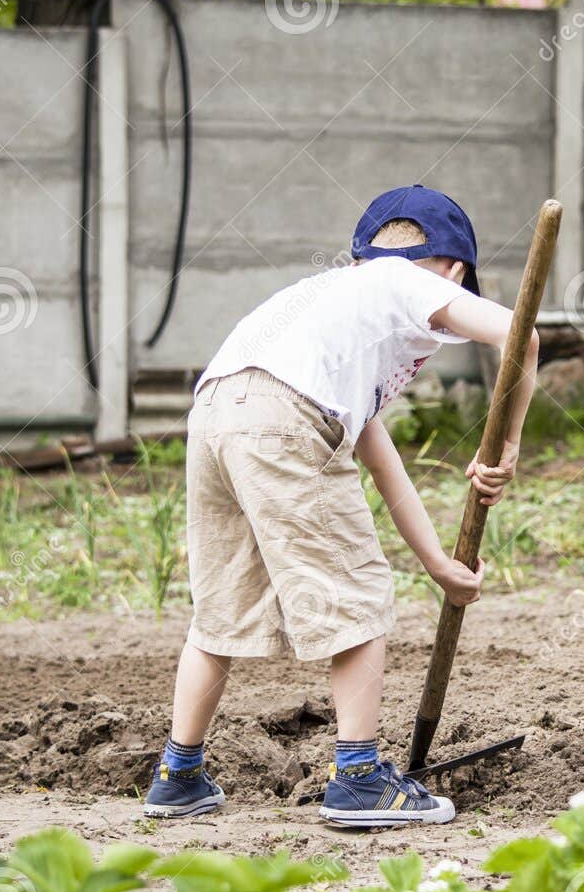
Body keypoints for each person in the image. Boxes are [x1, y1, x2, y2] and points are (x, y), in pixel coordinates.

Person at [143, 185, 539, 826]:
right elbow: (522, 337)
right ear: (455, 273)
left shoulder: (323, 305)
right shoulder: (405, 285)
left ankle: (178, 773)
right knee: (353, 589)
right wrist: (509, 444)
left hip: (216, 412)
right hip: (286, 417)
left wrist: (439, 563)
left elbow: (381, 460)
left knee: (222, 607)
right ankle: (357, 776)